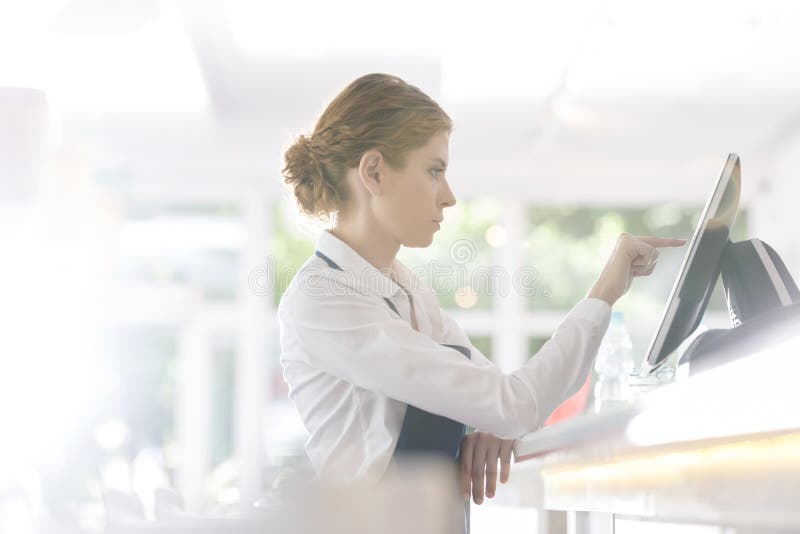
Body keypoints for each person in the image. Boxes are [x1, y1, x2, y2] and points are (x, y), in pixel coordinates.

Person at [276, 72, 685, 524]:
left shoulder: (410, 291)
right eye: (434, 171)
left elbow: (507, 402)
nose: (449, 197)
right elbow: (516, 404)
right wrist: (606, 291)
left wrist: (492, 422)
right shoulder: (321, 299)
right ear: (373, 172)